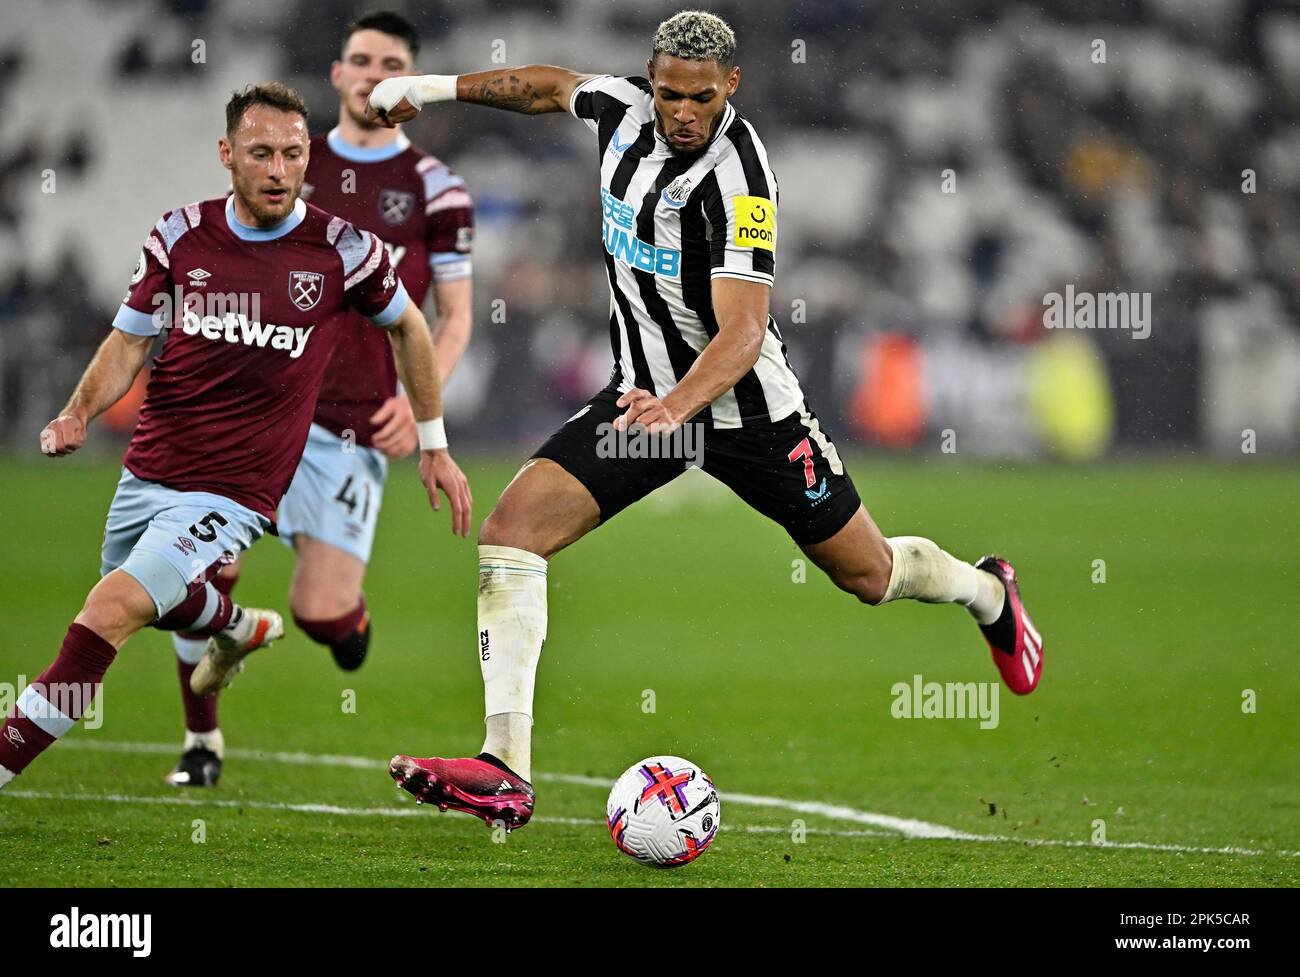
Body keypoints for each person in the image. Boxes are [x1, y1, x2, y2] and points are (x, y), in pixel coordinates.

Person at [366, 10, 1042, 831]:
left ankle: (985, 592)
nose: (682, 112)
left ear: (731, 86)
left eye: (699, 97)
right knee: (512, 533)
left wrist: (677, 406)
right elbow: (547, 87)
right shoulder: (620, 109)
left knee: (868, 575)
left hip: (747, 414)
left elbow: (743, 331)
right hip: (644, 402)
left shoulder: (739, 178)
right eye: (668, 94)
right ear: (649, 79)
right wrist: (427, 89)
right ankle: (504, 765)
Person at [0, 82, 471, 792]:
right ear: (227, 154)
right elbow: (129, 343)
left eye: (291, 153)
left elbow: (408, 324)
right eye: (260, 154)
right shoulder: (179, 235)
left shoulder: (344, 250)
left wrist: (432, 440)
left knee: (105, 617)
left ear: (308, 154)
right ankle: (231, 622)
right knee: (144, 608)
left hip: (236, 490)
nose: (278, 169)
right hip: (151, 470)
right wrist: (77, 412)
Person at [164, 11, 476, 788]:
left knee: (321, 616)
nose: (374, 73)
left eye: (392, 63)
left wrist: (421, 406)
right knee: (204, 570)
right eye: (361, 60)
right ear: (337, 74)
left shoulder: (435, 186)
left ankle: (348, 616)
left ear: (412, 85)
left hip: (351, 424)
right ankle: (202, 742)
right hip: (254, 413)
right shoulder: (284, 157)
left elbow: (455, 314)